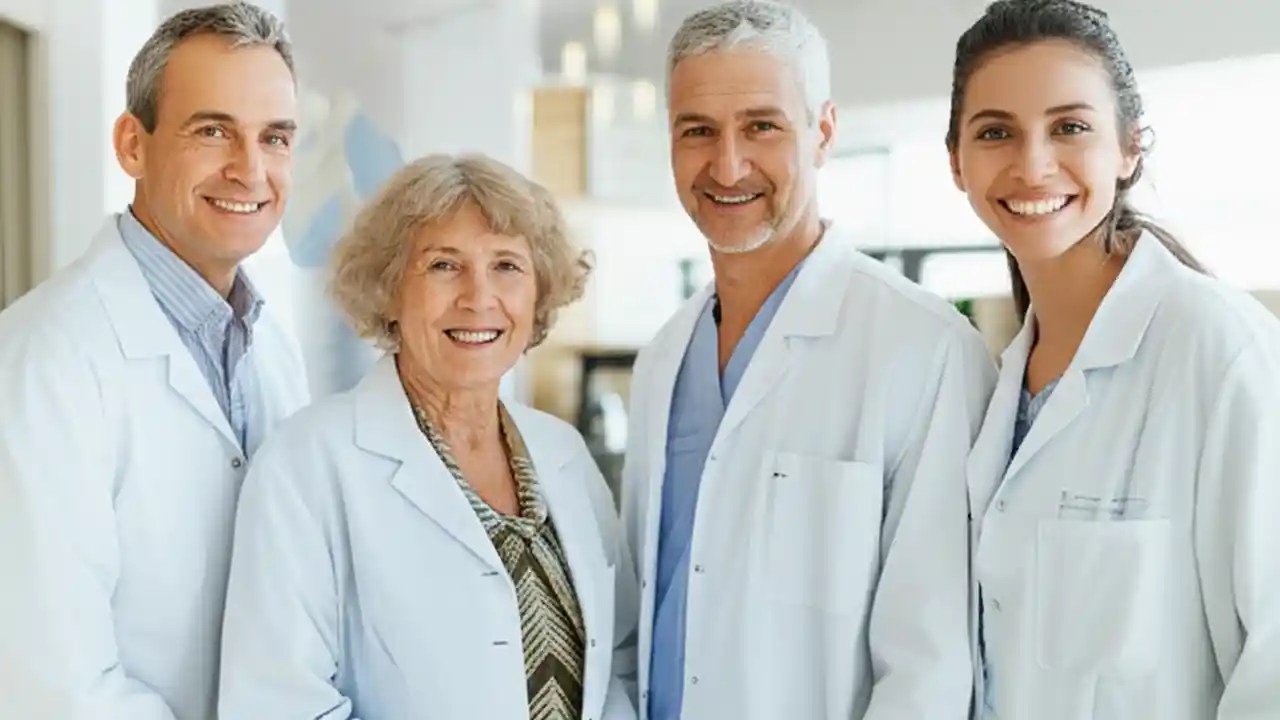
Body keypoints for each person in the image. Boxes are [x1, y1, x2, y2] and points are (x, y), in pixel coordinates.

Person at [619, 2, 998, 718]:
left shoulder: (926, 349)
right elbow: (641, 612)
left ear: (823, 132)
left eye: (761, 125)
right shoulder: (664, 357)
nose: (727, 164)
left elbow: (932, 671)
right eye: (697, 130)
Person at [217, 154, 639, 720]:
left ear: (539, 295)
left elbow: (617, 659)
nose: (478, 297)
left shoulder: (562, 453)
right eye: (445, 265)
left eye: (507, 266)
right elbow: (279, 702)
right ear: (389, 289)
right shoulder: (307, 465)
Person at [946, 1, 1280, 717]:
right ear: (956, 164)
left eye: (1070, 127)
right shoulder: (997, 380)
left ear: (1130, 149)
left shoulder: (1223, 354)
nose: (1032, 165)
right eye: (996, 132)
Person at [0, 3, 308, 718]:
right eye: (212, 131)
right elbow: (52, 688)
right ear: (132, 145)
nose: (250, 169)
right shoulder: (43, 360)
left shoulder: (272, 349)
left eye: (276, 137)